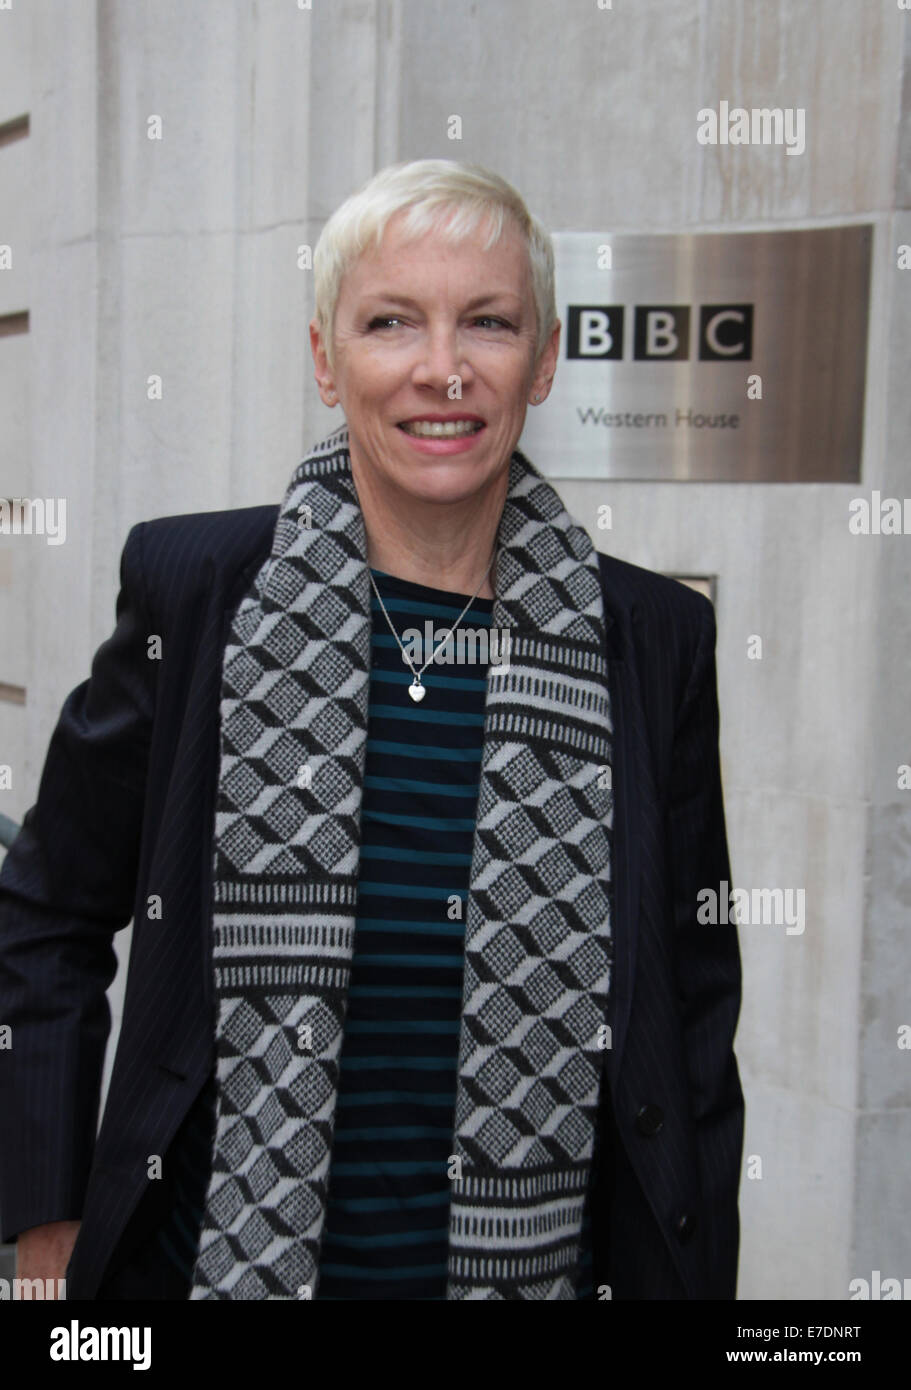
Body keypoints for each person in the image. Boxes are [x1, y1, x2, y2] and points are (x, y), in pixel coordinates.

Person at [0, 158, 744, 1300]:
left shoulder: (649, 638)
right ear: (324, 356)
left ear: (541, 360)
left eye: (486, 323)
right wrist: (44, 1213)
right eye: (391, 320)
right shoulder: (197, 589)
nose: (440, 369)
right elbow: (45, 914)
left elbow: (688, 1010)